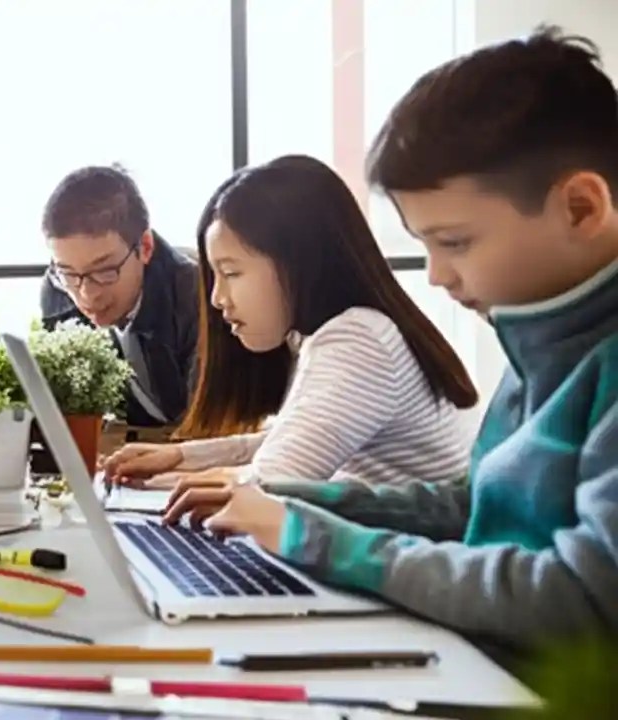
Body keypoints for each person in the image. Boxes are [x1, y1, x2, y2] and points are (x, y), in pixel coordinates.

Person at [163, 27, 618, 654]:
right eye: (425, 243)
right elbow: (472, 506)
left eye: (454, 242)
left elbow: (583, 601)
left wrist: (312, 536)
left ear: (580, 209)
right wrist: (290, 499)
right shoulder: (539, 333)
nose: (436, 274)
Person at [103, 155, 479, 491]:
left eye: (231, 273)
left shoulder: (359, 341)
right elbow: (288, 439)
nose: (217, 298)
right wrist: (182, 457)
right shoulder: (335, 334)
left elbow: (272, 482)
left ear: (296, 263)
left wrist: (157, 485)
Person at [40, 165, 199, 430]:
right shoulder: (58, 290)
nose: (87, 295)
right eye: (69, 273)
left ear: (145, 247)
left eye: (104, 271)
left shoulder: (198, 297)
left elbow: (211, 425)